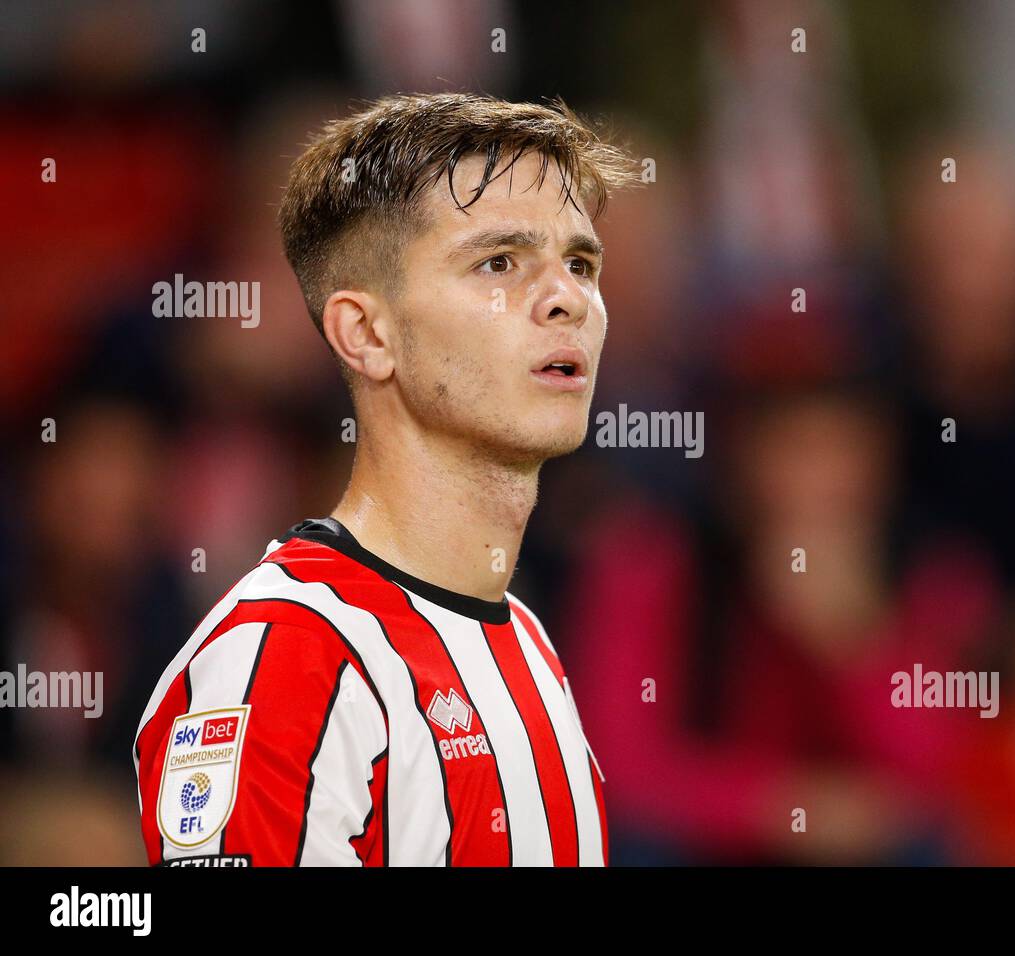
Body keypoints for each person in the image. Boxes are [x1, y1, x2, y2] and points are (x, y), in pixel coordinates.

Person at [133, 92, 638, 866]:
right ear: (366, 334)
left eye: (579, 262)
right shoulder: (279, 659)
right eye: (498, 262)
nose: (567, 298)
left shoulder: (526, 642)